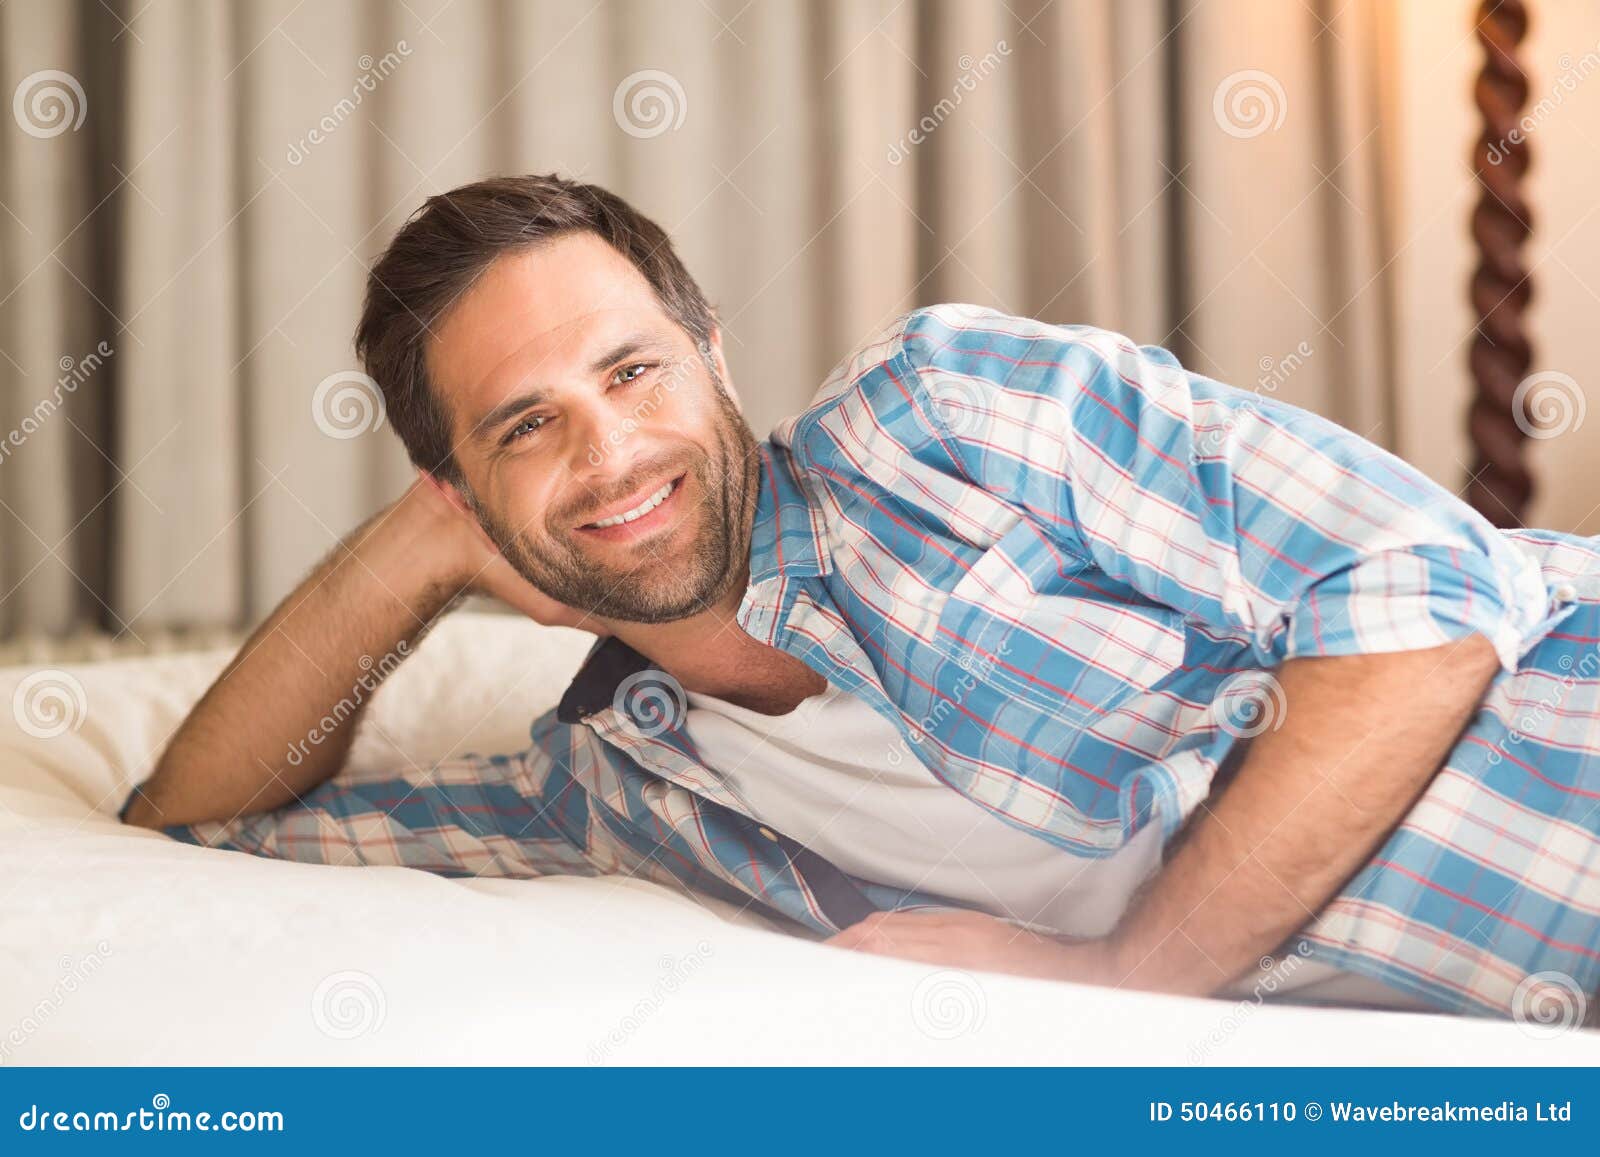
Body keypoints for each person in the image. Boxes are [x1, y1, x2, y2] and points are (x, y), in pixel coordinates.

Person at [122, 174, 1599, 1023]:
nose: (612, 450)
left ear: (714, 353)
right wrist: (411, 556)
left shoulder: (941, 414)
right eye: (525, 426)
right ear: (460, 488)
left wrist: (1130, 971)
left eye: (633, 371)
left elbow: (1426, 583)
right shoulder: (611, 792)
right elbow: (188, 830)